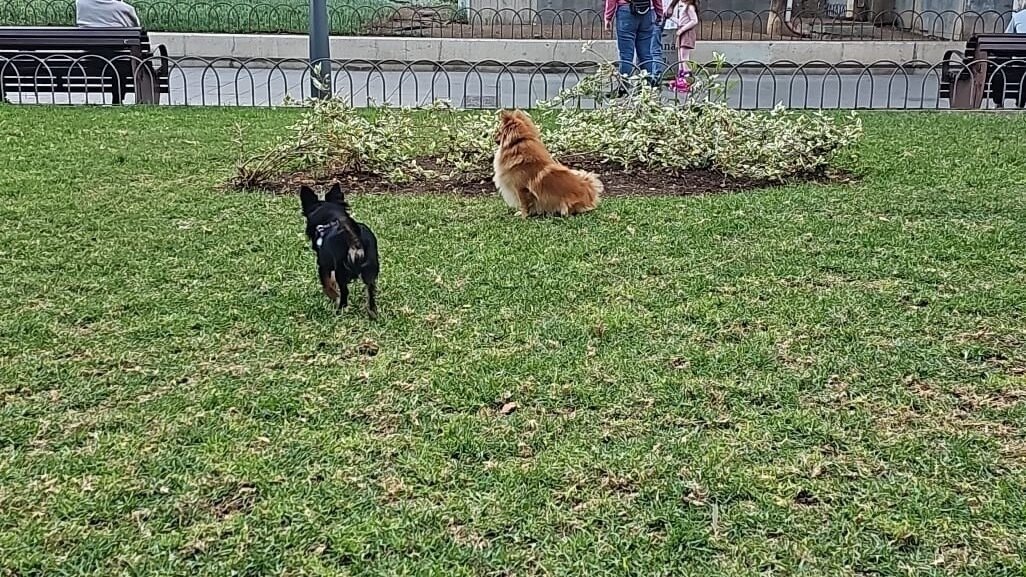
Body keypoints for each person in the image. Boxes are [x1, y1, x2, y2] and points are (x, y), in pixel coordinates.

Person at [604, 0, 665, 82]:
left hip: (626, 11)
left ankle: (624, 86)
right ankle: (648, 85)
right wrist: (659, 13)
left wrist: (608, 17)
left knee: (626, 55)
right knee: (646, 54)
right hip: (646, 11)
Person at [665, 0, 698, 93]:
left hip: (686, 32)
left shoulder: (690, 7)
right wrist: (670, 17)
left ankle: (687, 77)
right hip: (681, 32)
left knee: (684, 56)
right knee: (680, 56)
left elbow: (694, 20)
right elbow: (680, 22)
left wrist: (683, 29)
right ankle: (681, 76)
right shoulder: (683, 7)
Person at [76, 0, 141, 28]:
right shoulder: (127, 8)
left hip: (87, 45)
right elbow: (136, 27)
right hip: (118, 46)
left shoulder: (80, 2)